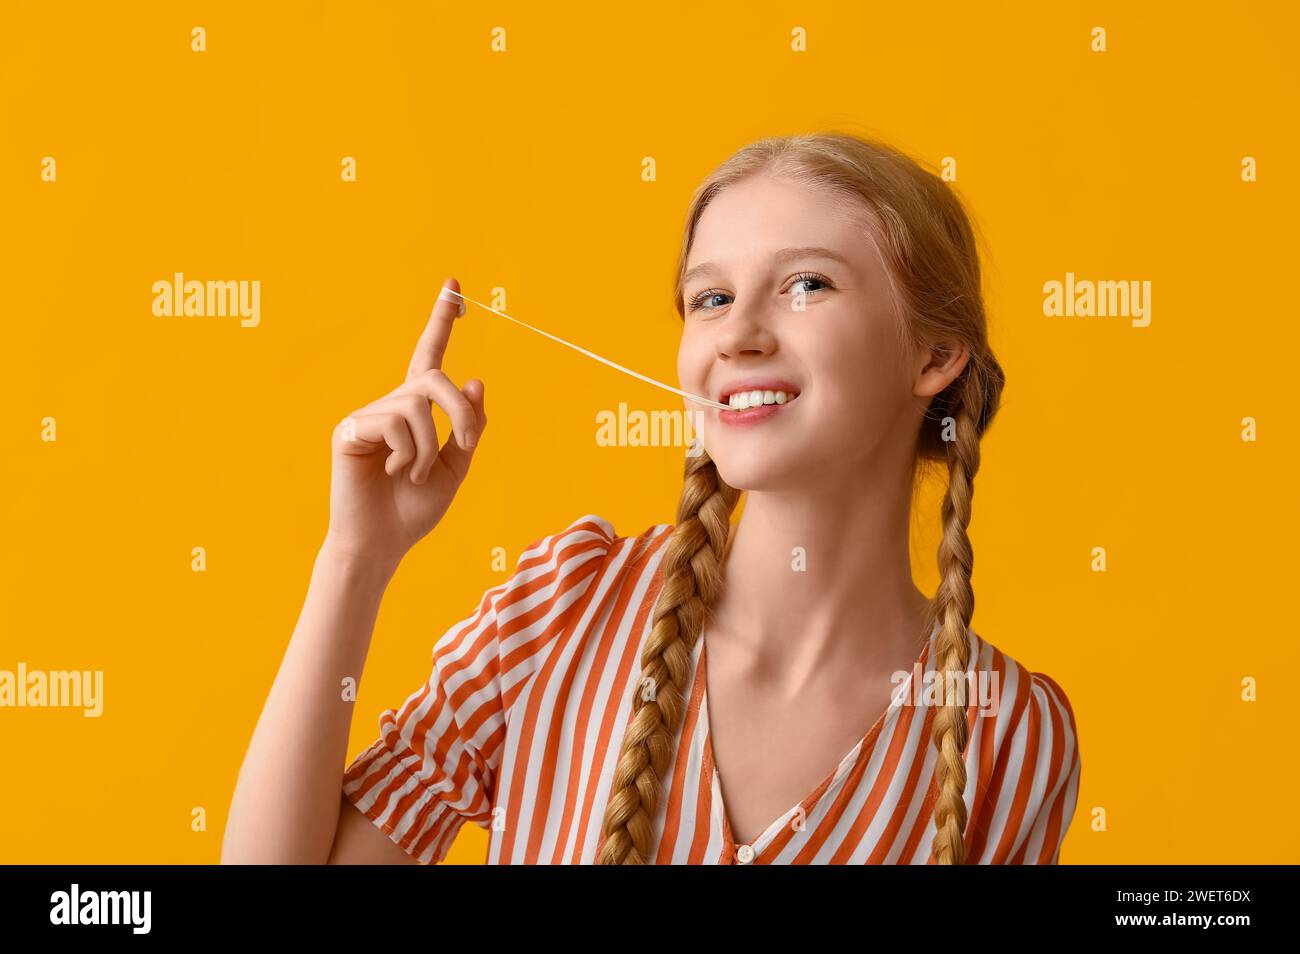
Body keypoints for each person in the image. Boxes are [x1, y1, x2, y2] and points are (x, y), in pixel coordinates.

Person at [222, 132, 1081, 865]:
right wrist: (354, 560)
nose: (738, 334)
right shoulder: (565, 607)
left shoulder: (1005, 732)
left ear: (935, 354)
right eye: (710, 298)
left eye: (807, 284)